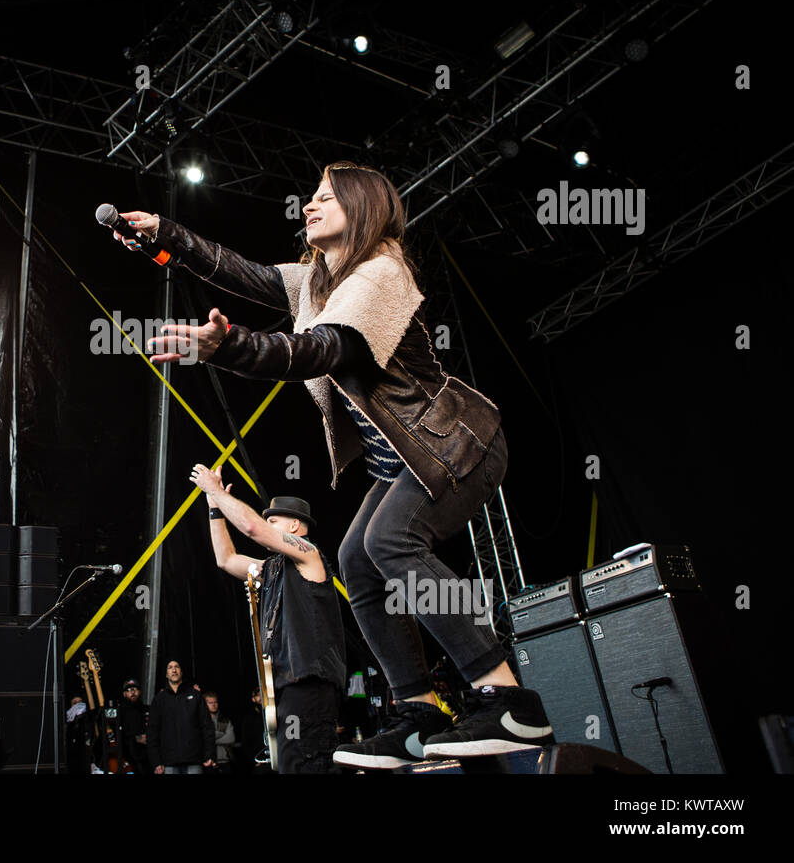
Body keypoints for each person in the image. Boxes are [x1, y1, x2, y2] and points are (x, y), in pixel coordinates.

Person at [125, 161, 554, 768]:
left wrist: (231, 347)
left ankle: (509, 700)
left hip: (457, 445)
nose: (309, 206)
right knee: (356, 557)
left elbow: (317, 350)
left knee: (390, 542)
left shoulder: (381, 274)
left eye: (327, 198)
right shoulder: (320, 280)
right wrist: (166, 235)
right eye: (311, 198)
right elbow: (241, 273)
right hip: (401, 464)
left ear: (364, 207)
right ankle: (418, 710)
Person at [193, 472, 344, 773]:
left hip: (310, 683)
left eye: (274, 521)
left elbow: (252, 528)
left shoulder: (309, 555)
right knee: (290, 764)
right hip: (286, 686)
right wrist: (214, 507)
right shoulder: (271, 569)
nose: (268, 527)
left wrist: (216, 490)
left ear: (294, 526)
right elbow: (226, 559)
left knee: (308, 765)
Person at [147, 660, 216, 774]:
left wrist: (209, 755)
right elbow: (152, 732)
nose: (174, 670)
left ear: (181, 672)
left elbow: (207, 727)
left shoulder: (195, 695)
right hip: (168, 763)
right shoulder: (159, 699)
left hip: (194, 761)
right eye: (170, 667)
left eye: (177, 667)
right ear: (166, 674)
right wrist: (156, 761)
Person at [118, 678, 149, 773]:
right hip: (127, 758)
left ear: (139, 692)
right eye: (128, 690)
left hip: (147, 757)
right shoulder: (119, 712)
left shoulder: (147, 709)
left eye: (135, 689)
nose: (132, 692)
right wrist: (136, 738)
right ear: (124, 694)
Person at [202, 692, 236, 773]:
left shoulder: (225, 720)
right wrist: (222, 734)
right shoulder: (200, 721)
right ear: (204, 704)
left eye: (215, 702)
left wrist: (210, 740)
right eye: (210, 703)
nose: (214, 705)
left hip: (225, 762)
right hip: (207, 762)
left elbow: (231, 738)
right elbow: (200, 739)